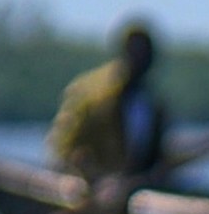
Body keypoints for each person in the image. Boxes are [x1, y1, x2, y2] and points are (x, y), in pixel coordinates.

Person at [48, 17, 169, 186]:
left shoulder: (149, 103)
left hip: (134, 186)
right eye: (134, 51)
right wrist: (86, 174)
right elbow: (63, 148)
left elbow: (155, 156)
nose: (140, 58)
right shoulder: (93, 95)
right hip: (91, 185)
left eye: (145, 52)